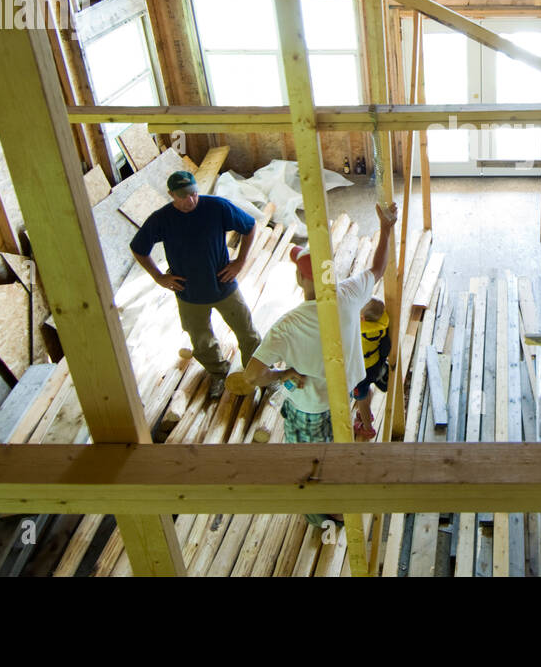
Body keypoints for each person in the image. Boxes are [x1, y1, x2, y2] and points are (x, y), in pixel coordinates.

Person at [237, 201, 398, 528]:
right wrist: (386, 227)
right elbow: (378, 268)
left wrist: (283, 374)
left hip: (310, 408)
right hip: (343, 395)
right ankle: (340, 503)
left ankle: (331, 513)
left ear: (299, 278)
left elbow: (252, 375)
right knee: (337, 450)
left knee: (312, 463)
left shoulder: (287, 325)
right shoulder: (350, 293)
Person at [130, 170, 261, 401]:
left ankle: (257, 374)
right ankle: (218, 373)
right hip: (188, 293)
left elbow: (250, 226)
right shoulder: (162, 219)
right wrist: (159, 277)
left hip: (223, 285)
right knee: (201, 340)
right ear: (171, 194)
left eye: (193, 194)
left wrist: (240, 262)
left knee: (247, 332)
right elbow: (139, 248)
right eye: (182, 197)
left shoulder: (217, 207)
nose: (189, 200)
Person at [353, 298, 391, 440]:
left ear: (362, 318)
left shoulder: (358, 332)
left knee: (361, 398)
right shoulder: (380, 326)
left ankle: (367, 428)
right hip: (374, 367)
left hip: (360, 371)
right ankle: (366, 414)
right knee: (367, 388)